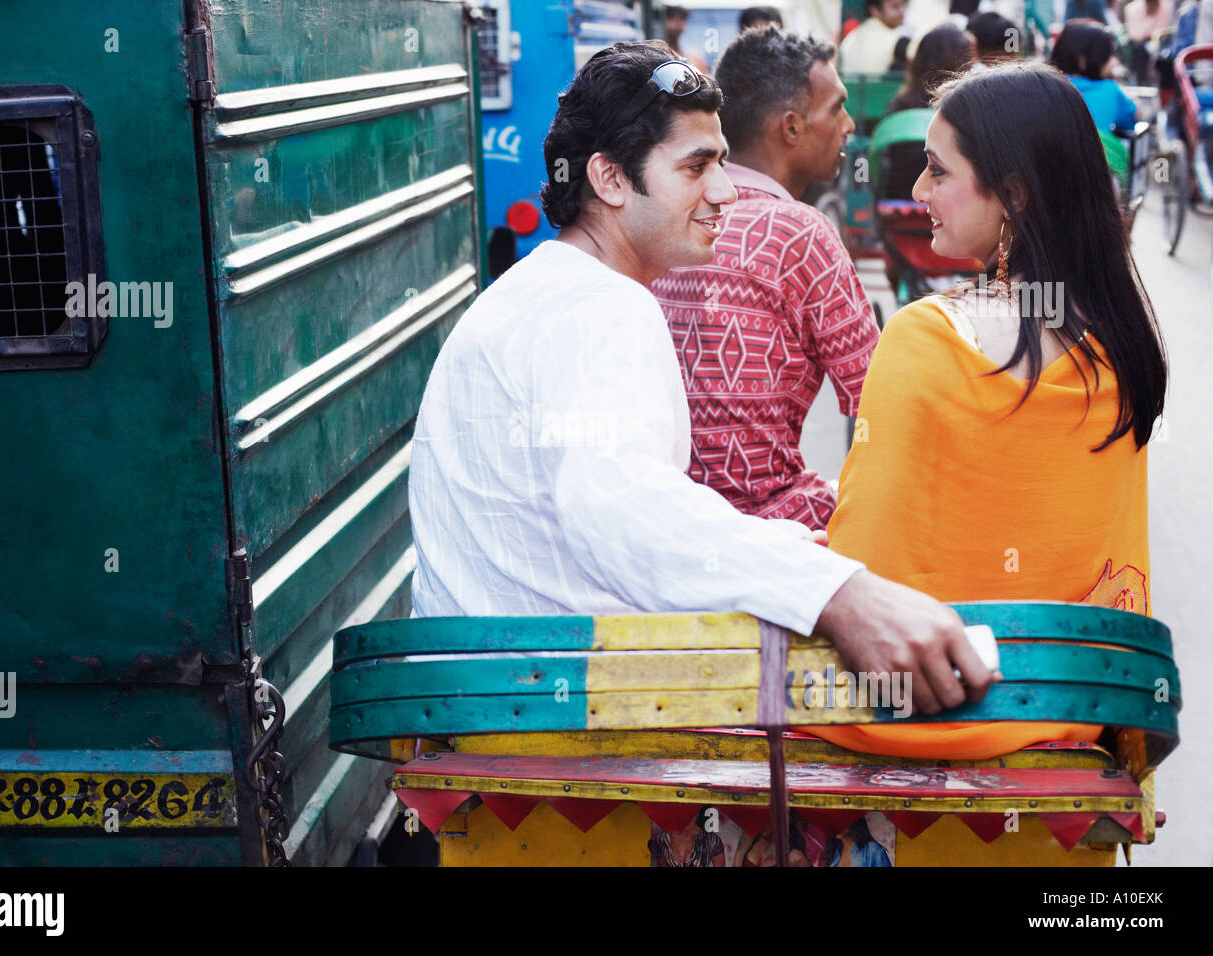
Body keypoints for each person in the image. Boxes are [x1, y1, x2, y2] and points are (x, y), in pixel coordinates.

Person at [408, 39, 998, 721]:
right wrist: (841, 596)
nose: (724, 192)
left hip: (503, 695)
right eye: (696, 167)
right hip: (535, 718)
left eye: (721, 162)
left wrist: (778, 550)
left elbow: (604, 509)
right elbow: (623, 507)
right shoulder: (600, 307)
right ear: (609, 180)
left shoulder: (554, 287)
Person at [812, 61, 1167, 760]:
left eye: (938, 173)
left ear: (1012, 195)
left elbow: (868, 566)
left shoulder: (926, 336)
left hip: (933, 715)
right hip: (1081, 707)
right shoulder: (1122, 339)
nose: (918, 193)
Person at [650, 28, 877, 529]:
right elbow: (881, 404)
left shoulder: (672, 217)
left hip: (667, 521)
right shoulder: (802, 233)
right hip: (770, 526)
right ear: (791, 128)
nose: (849, 124)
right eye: (836, 108)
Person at [883, 24, 976, 199]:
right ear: (963, 65)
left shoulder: (897, 106)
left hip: (899, 196)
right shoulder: (965, 111)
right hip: (949, 199)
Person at [1049, 19, 1138, 131]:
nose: (1115, 62)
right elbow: (1130, 120)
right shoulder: (1109, 89)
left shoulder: (1044, 86)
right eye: (1107, 55)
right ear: (1083, 60)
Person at [840, 0, 911, 72]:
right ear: (875, 10)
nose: (902, 10)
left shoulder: (849, 38)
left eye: (904, 4)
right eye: (895, 6)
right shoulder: (896, 41)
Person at [1124, 0, 1174, 83]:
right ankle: (1142, 81)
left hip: (1158, 43)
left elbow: (1161, 31)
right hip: (1138, 44)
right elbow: (1134, 34)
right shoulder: (1133, 8)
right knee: (1139, 48)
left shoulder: (1165, 8)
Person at [663, 5, 710, 73]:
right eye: (671, 17)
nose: (676, 24)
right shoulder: (652, 57)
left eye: (682, 18)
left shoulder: (696, 60)